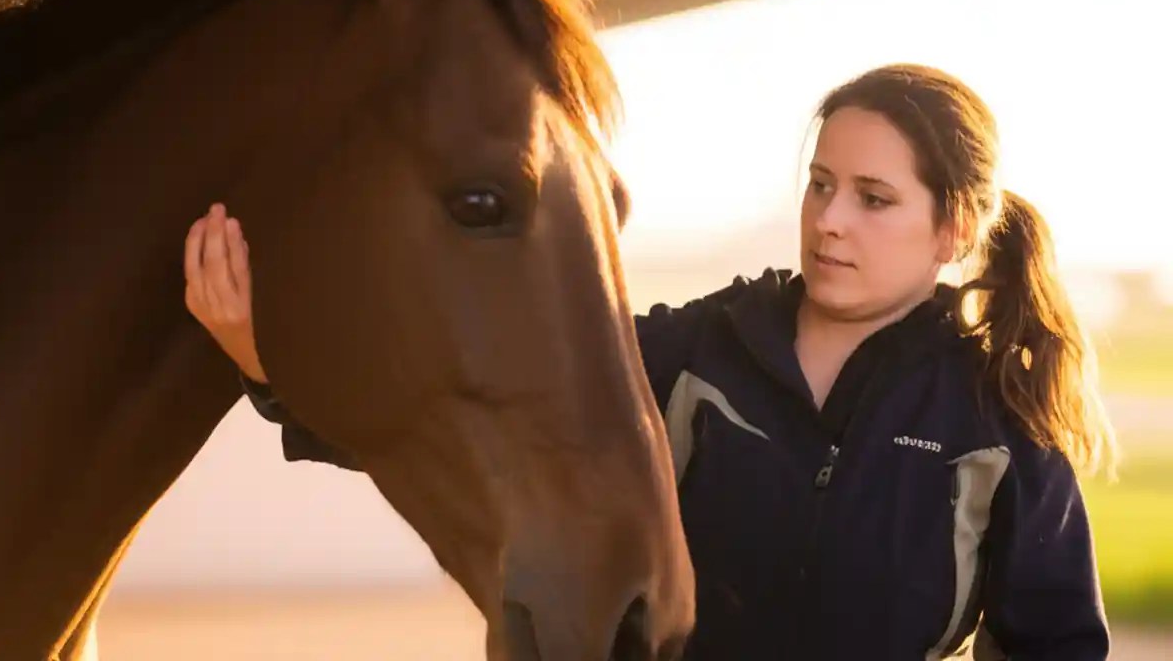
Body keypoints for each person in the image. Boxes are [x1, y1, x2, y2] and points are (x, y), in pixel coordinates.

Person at [183, 64, 1115, 659]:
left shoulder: (998, 417)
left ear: (953, 228)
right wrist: (270, 364)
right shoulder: (689, 352)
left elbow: (1057, 648)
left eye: (875, 198)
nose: (829, 220)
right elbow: (471, 404)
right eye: (822, 185)